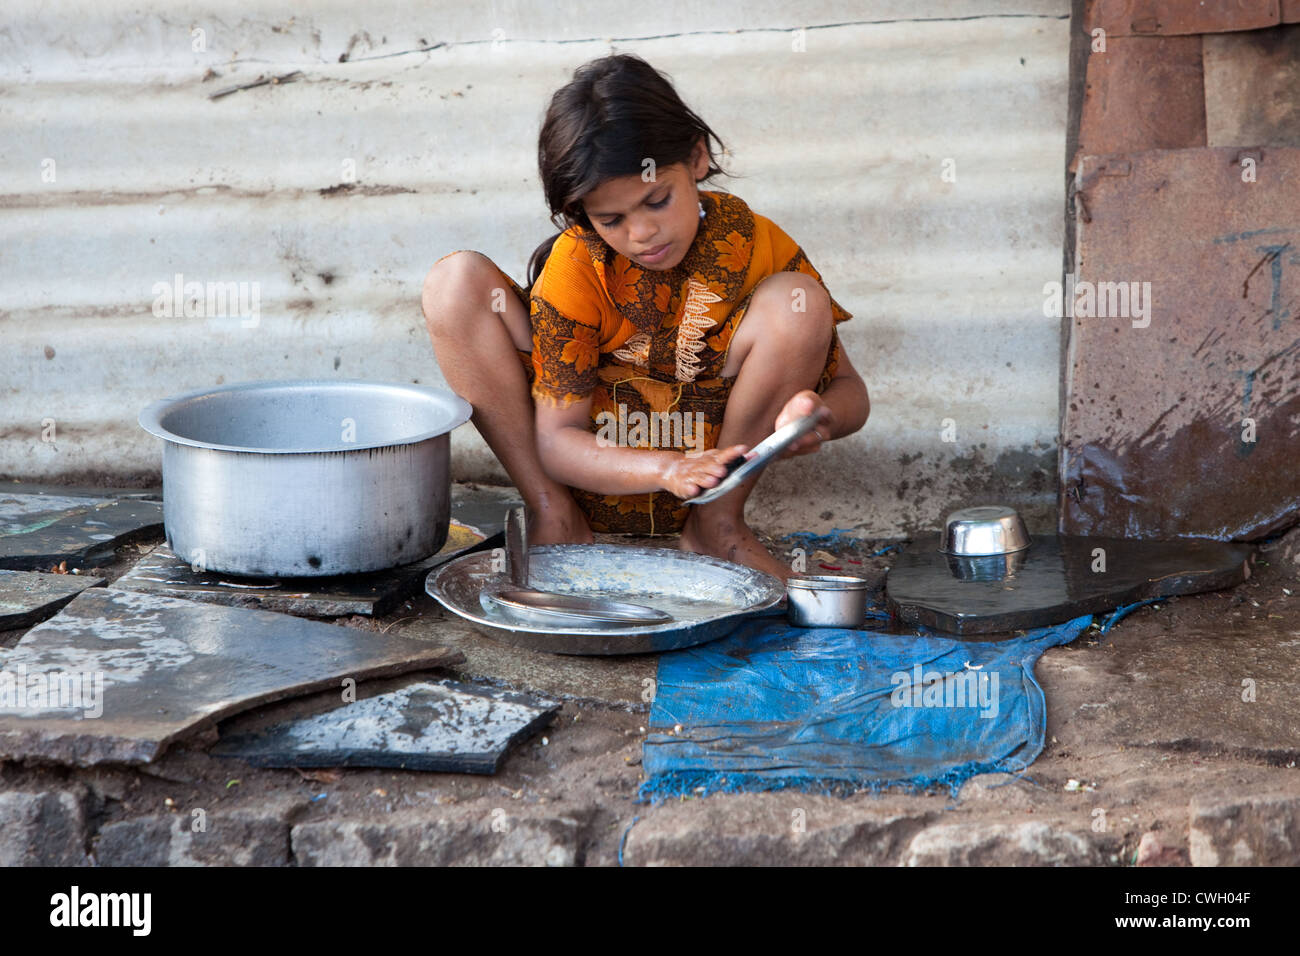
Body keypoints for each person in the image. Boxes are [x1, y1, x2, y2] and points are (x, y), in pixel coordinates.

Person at [422, 53, 869, 581]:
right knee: (456, 283)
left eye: (657, 200)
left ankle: (715, 529)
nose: (641, 234)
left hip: (711, 482)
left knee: (799, 300)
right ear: (581, 215)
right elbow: (557, 441)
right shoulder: (576, 267)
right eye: (611, 218)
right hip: (585, 470)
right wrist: (665, 468)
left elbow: (852, 395)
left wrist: (817, 417)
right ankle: (554, 516)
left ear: (698, 159)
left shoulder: (753, 245)